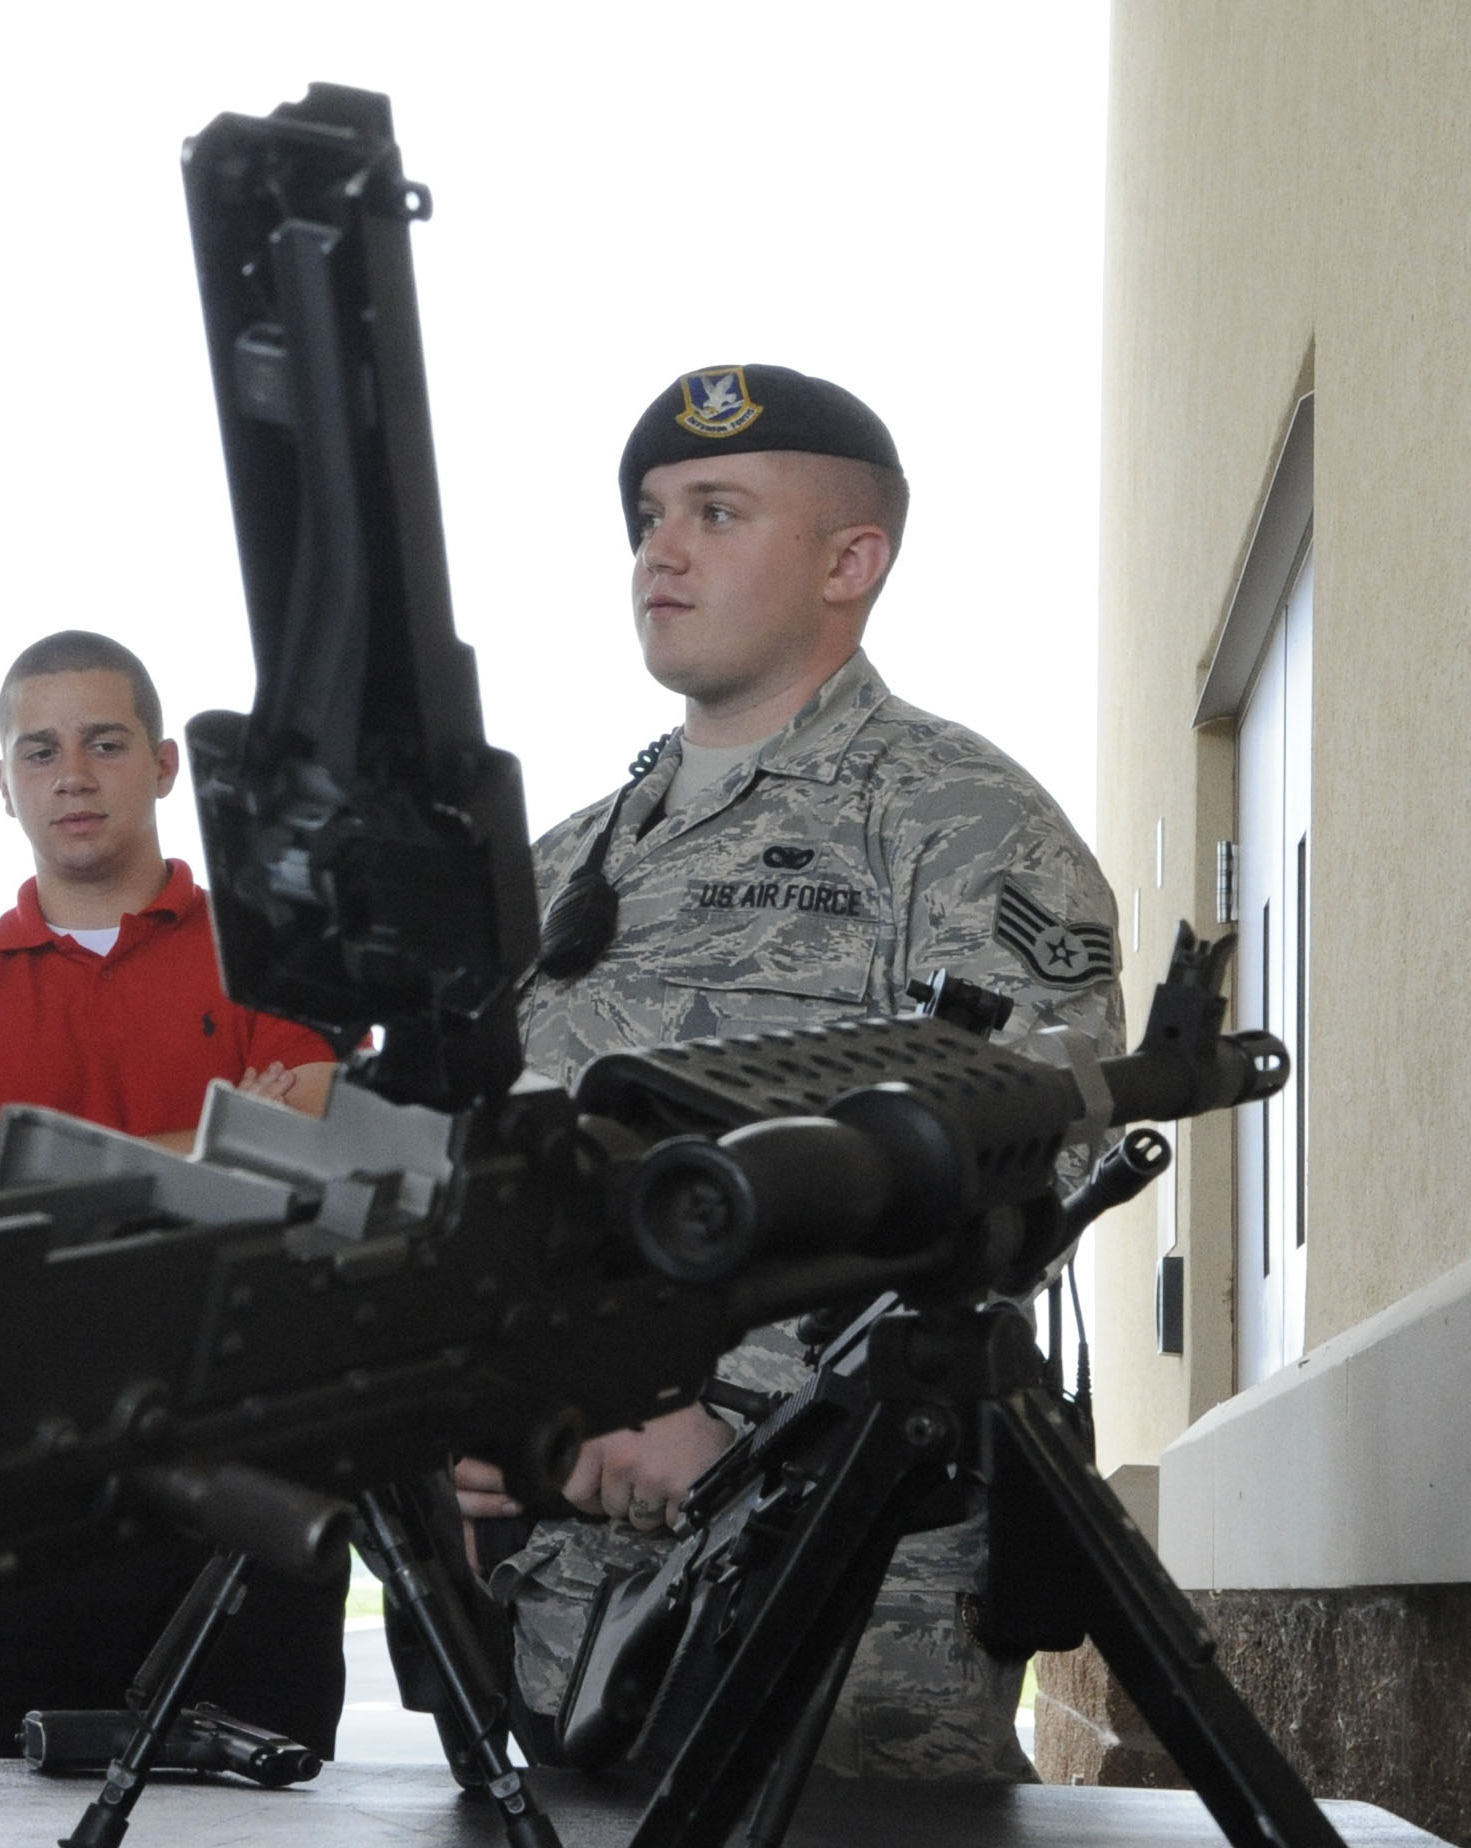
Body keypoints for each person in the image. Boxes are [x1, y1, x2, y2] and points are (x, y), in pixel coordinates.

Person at [460, 364, 1123, 1781]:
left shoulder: (959, 823)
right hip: (560, 1608)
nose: (662, 550)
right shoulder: (567, 861)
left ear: (851, 561)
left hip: (840, 1587)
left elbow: (1015, 1176)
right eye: (648, 515)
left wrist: (727, 1418)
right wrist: (485, 1404)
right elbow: (493, 1178)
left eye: (716, 510)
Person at [0, 629, 347, 1759]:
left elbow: (309, 1155)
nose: (72, 774)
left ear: (165, 764)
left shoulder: (282, 952)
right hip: (2, 1486)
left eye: (106, 742)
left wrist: (14, 1184)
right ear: (4, 782)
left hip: (248, 1479)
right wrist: (213, 1145)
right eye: (40, 750)